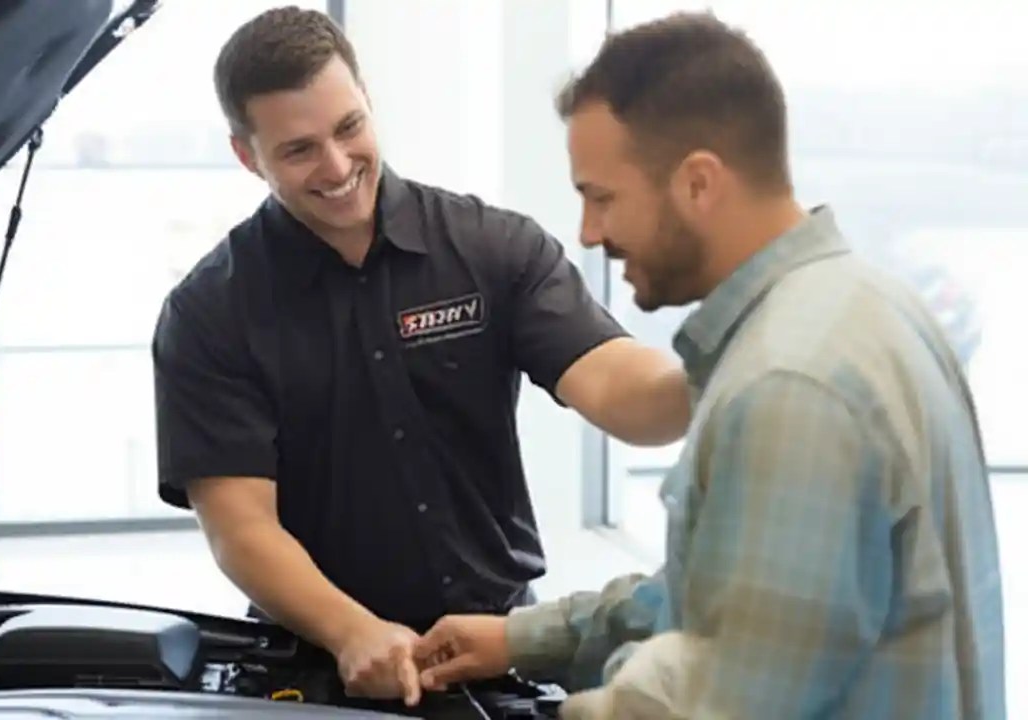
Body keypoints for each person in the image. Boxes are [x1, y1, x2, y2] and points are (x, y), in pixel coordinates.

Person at [413, 11, 1006, 719]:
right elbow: (721, 592)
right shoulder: (873, 306)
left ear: (698, 183)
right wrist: (520, 638)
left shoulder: (790, 385)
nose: (590, 234)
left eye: (601, 198)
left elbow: (720, 702)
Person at [149, 5, 691, 708]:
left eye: (349, 128)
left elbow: (619, 384)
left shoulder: (492, 248)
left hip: (501, 647)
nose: (338, 167)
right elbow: (242, 528)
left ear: (367, 100)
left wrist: (717, 374)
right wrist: (352, 632)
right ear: (248, 155)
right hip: (318, 664)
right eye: (299, 149)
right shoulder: (209, 313)